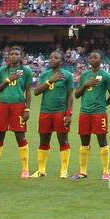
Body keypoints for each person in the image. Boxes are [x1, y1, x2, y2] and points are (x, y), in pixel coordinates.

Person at [0, 46, 33, 179]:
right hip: (3, 105)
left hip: (18, 106)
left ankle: (25, 169)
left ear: (21, 56)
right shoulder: (3, 70)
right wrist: (8, 80)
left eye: (16, 54)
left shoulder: (27, 71)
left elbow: (28, 91)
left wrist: (27, 108)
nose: (13, 56)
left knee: (20, 136)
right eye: (11, 54)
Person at [72, 50, 110, 181]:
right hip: (84, 113)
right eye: (90, 57)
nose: (92, 59)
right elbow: (77, 95)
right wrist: (85, 85)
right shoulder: (84, 75)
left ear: (101, 60)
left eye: (95, 57)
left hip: (99, 113)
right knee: (84, 142)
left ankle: (106, 171)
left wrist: (103, 106)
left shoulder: (105, 76)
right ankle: (82, 171)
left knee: (102, 141)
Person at [31, 50, 75, 179]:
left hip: (60, 112)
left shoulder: (67, 75)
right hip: (45, 112)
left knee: (63, 140)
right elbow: (36, 92)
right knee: (43, 141)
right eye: (51, 57)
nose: (52, 60)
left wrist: (69, 114)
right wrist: (50, 81)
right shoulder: (44, 75)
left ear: (61, 61)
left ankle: (64, 170)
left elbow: (70, 96)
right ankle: (41, 170)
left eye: (55, 58)